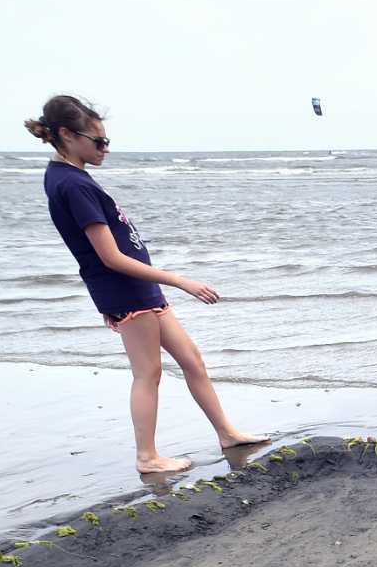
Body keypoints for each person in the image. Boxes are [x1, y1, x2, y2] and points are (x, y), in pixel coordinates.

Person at [26, 94, 263, 476]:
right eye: (99, 141)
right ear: (68, 135)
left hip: (137, 287)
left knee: (191, 359)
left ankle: (227, 433)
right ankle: (147, 457)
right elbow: (109, 257)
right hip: (124, 288)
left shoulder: (70, 176)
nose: (105, 149)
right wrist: (180, 280)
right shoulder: (71, 184)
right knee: (148, 373)